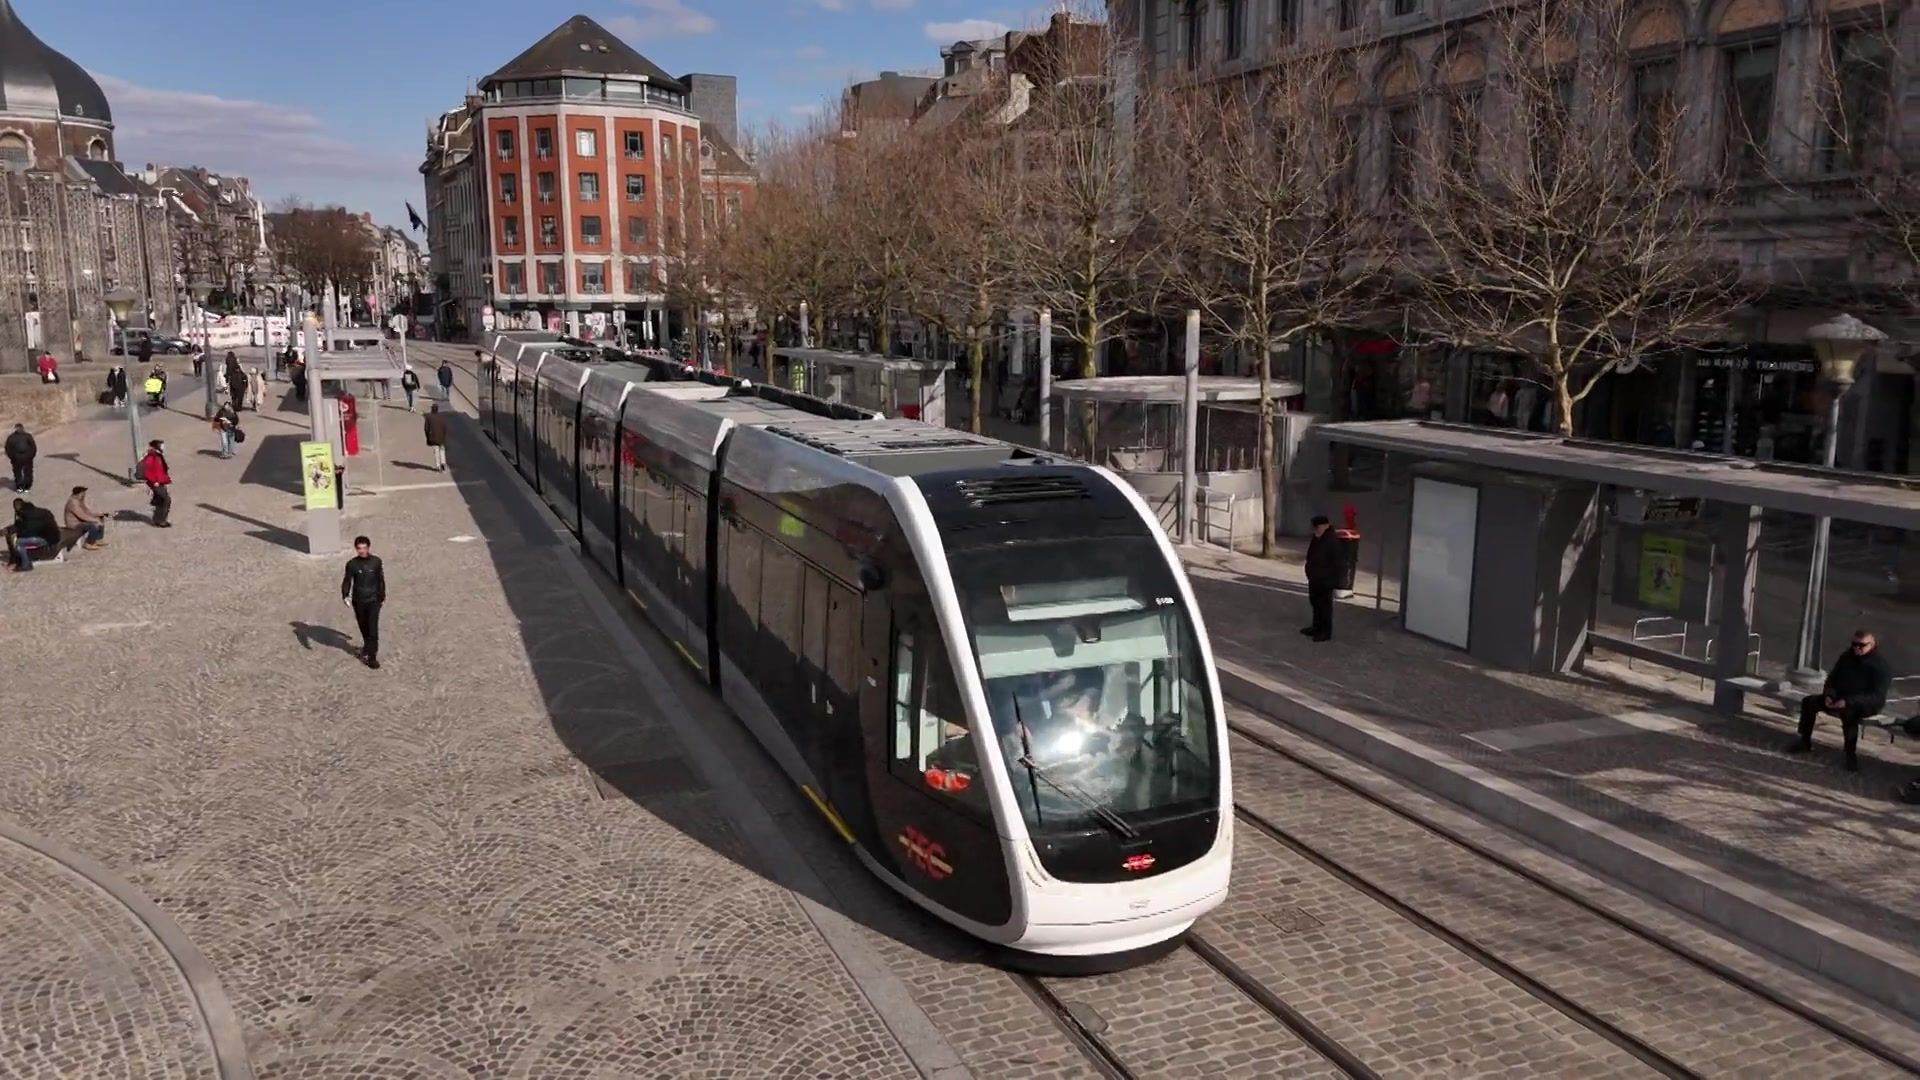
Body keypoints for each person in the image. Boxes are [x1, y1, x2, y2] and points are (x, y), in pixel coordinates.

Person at [1789, 630, 1892, 772]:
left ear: (1872, 645)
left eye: (1861, 645)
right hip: (1840, 698)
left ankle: (1850, 756)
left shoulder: (1880, 667)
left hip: (1864, 704)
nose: (1857, 648)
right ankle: (1804, 741)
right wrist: (1829, 695)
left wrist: (1848, 701)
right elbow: (1832, 678)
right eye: (1854, 644)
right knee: (1809, 702)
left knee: (1849, 715)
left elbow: (1876, 696)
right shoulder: (1847, 657)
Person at [341, 534, 386, 669]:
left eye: (364, 548)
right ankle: (367, 646)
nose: (362, 551)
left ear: (368, 547)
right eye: (359, 548)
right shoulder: (352, 564)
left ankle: (372, 657)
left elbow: (380, 580)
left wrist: (382, 596)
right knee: (363, 626)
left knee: (373, 629)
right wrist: (345, 595)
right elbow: (347, 580)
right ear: (356, 549)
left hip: (373, 600)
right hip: (358, 600)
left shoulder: (376, 562)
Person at [1302, 514, 1340, 643]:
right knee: (1315, 603)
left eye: (1316, 527)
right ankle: (1316, 627)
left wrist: (1332, 579)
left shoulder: (1331, 540)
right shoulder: (1317, 537)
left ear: (1323, 526)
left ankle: (1325, 632)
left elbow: (1337, 562)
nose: (1314, 530)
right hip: (1315, 578)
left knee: (1324, 606)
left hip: (1325, 579)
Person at [10, 497, 61, 570]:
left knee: (17, 543)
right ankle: (26, 559)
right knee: (22, 541)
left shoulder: (26, 516)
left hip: (44, 539)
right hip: (53, 536)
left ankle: (25, 565)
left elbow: (28, 531)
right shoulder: (39, 512)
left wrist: (18, 530)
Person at [139, 439, 172, 528]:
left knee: (161, 500)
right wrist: (154, 481)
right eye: (162, 445)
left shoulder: (157, 455)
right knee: (166, 500)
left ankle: (158, 519)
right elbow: (146, 470)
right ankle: (161, 520)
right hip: (156, 483)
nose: (163, 447)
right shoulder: (152, 456)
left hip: (160, 481)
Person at [63, 485, 106, 550]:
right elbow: (82, 515)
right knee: (93, 525)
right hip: (74, 524)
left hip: (80, 520)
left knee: (100, 518)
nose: (84, 495)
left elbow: (86, 511)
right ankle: (89, 543)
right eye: (83, 493)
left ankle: (98, 539)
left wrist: (97, 515)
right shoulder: (73, 503)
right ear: (78, 494)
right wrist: (94, 520)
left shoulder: (79, 501)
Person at [5, 423, 34, 494]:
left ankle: (20, 486)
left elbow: (7, 449)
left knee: (18, 472)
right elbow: (33, 447)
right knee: (27, 471)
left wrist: (11, 457)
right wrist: (31, 455)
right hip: (25, 457)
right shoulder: (27, 436)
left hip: (17, 457)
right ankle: (26, 486)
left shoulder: (11, 437)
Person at [423, 404, 449, 471]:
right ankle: (443, 462)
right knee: (442, 450)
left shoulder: (429, 417)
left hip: (433, 437)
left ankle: (438, 465)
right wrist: (444, 436)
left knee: (436, 451)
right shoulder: (441, 417)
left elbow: (426, 428)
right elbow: (445, 427)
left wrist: (427, 437)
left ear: (432, 409)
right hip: (441, 437)